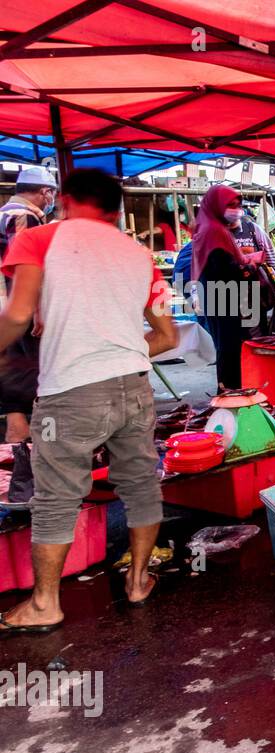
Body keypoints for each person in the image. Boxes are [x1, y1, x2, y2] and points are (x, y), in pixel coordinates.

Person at [0, 169, 177, 633]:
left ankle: (45, 603)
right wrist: (121, 349)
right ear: (116, 210)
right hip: (134, 387)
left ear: (64, 199)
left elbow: (17, 315)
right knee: (140, 485)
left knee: (56, 498)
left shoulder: (38, 239)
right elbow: (167, 336)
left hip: (71, 391)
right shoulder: (139, 254)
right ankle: (139, 581)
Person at [0, 166, 58, 446]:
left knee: (17, 364)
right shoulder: (22, 217)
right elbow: (23, 268)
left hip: (9, 306)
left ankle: (19, 432)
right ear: (45, 192)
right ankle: (30, 434)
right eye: (50, 194)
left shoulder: (4, 213)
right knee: (34, 368)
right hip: (17, 306)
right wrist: (38, 310)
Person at [192, 185, 263, 388]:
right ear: (216, 206)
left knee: (228, 347)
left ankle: (229, 392)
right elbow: (224, 270)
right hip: (223, 297)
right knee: (230, 348)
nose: (236, 210)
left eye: (237, 205)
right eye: (230, 205)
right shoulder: (214, 232)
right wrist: (249, 266)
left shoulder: (209, 228)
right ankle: (230, 395)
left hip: (218, 296)